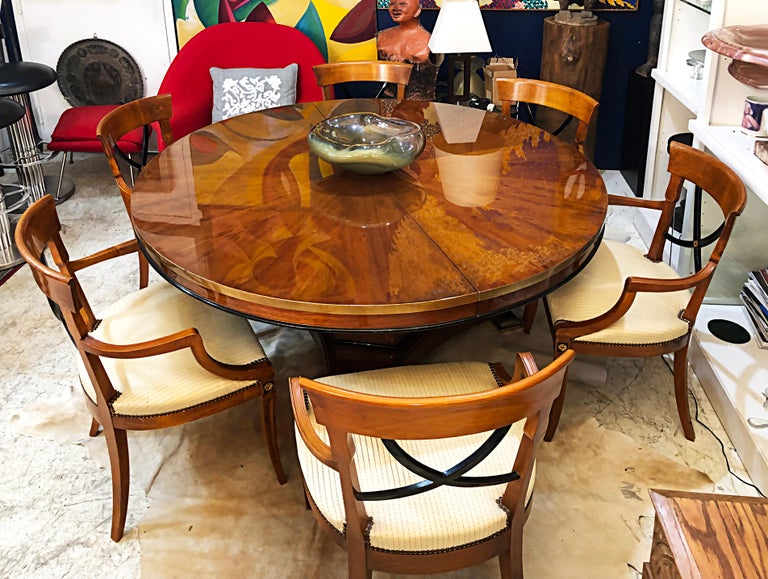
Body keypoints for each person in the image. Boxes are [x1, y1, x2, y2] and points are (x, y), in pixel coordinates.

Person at [377, 0, 439, 101]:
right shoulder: (381, 37)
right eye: (392, 4)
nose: (396, 8)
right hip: (387, 103)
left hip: (421, 106)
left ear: (418, 11)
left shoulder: (431, 43)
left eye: (402, 4)